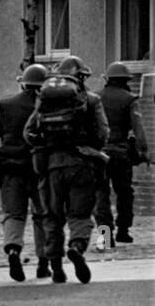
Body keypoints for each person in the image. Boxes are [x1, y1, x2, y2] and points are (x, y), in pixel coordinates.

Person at [25, 57, 108, 284]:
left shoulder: (44, 100)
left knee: (52, 217)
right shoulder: (91, 100)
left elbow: (29, 133)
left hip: (51, 167)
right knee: (80, 214)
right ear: (81, 77)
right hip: (82, 165)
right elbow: (102, 133)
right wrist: (90, 148)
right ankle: (77, 247)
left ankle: (55, 265)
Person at [0, 64, 50, 281]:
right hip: (39, 167)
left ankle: (13, 250)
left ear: (23, 82)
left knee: (14, 214)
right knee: (42, 214)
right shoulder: (48, 105)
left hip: (10, 167)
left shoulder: (7, 104)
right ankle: (44, 261)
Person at [96, 62, 147, 245]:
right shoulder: (130, 99)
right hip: (120, 154)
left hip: (99, 154)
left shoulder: (96, 98)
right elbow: (138, 129)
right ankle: (123, 231)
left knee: (101, 195)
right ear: (126, 80)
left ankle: (105, 235)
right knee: (124, 193)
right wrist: (143, 150)